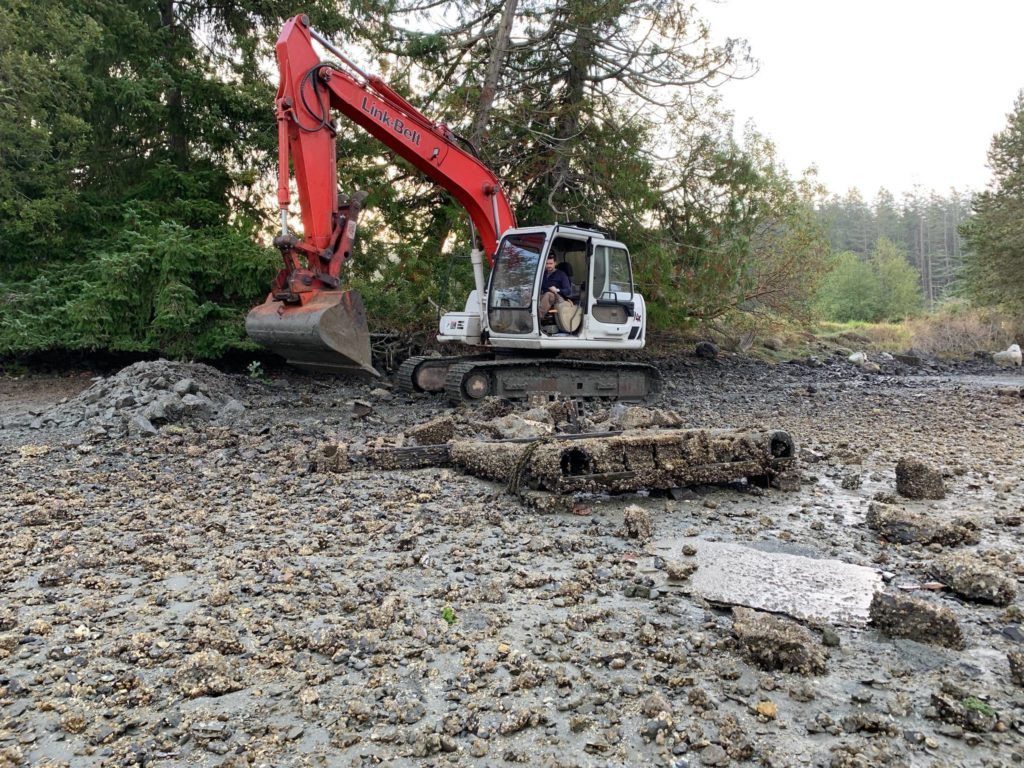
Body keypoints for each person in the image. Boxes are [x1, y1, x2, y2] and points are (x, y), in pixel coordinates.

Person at [537, 256, 572, 327]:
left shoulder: (561, 274)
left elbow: (568, 291)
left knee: (549, 294)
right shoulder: (542, 274)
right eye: (547, 263)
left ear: (555, 263)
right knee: (528, 295)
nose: (548, 265)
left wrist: (557, 290)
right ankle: (525, 316)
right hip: (544, 295)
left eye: (550, 263)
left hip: (559, 298)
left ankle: (537, 317)